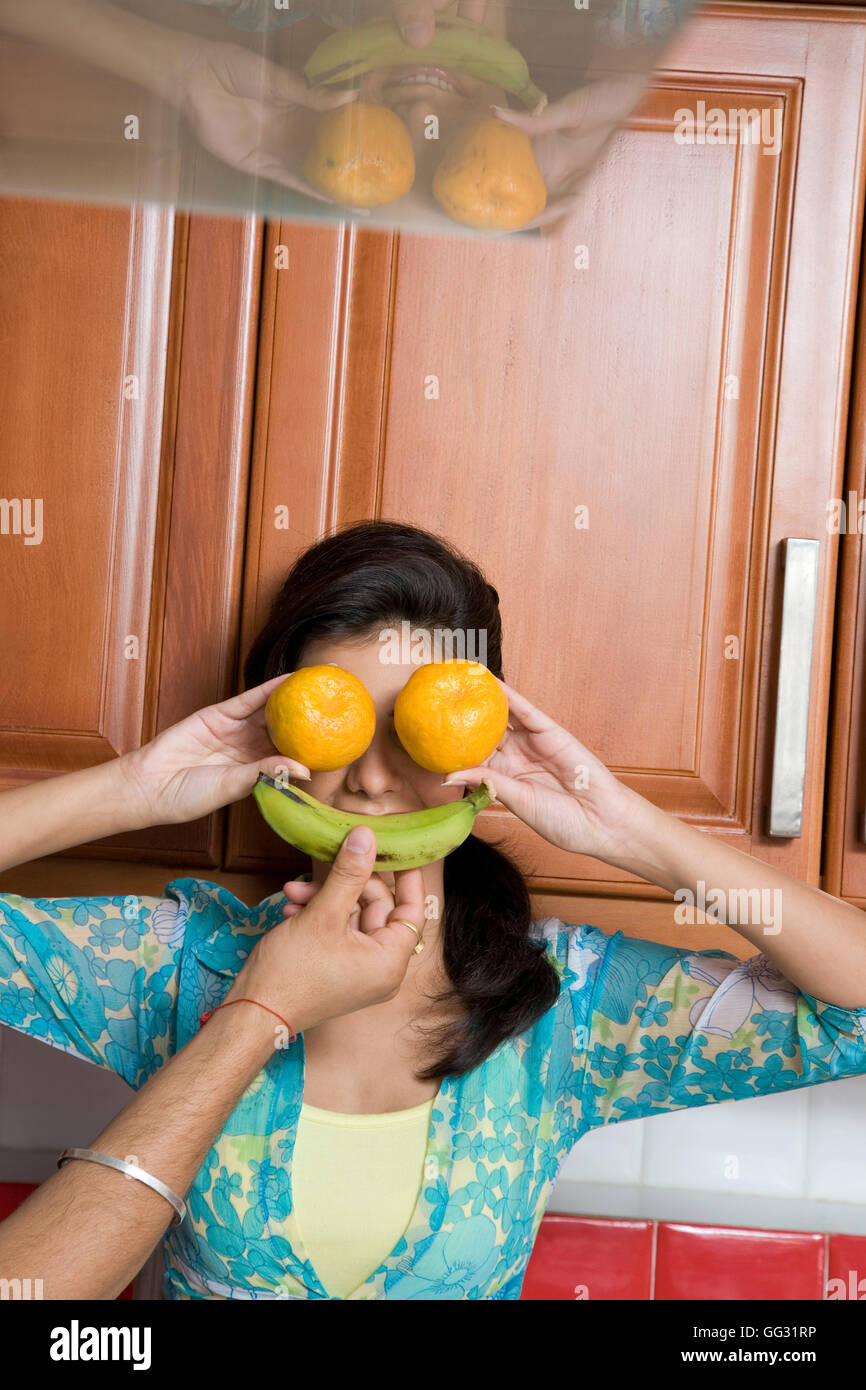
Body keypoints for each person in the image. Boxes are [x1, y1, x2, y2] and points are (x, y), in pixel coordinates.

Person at [1, 517, 865, 1301]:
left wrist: (626, 828)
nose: (373, 779)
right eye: (336, 721)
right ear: (277, 736)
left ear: (475, 745)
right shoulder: (175, 965)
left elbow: (853, 1015)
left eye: (413, 729)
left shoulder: (573, 1005)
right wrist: (130, 788)